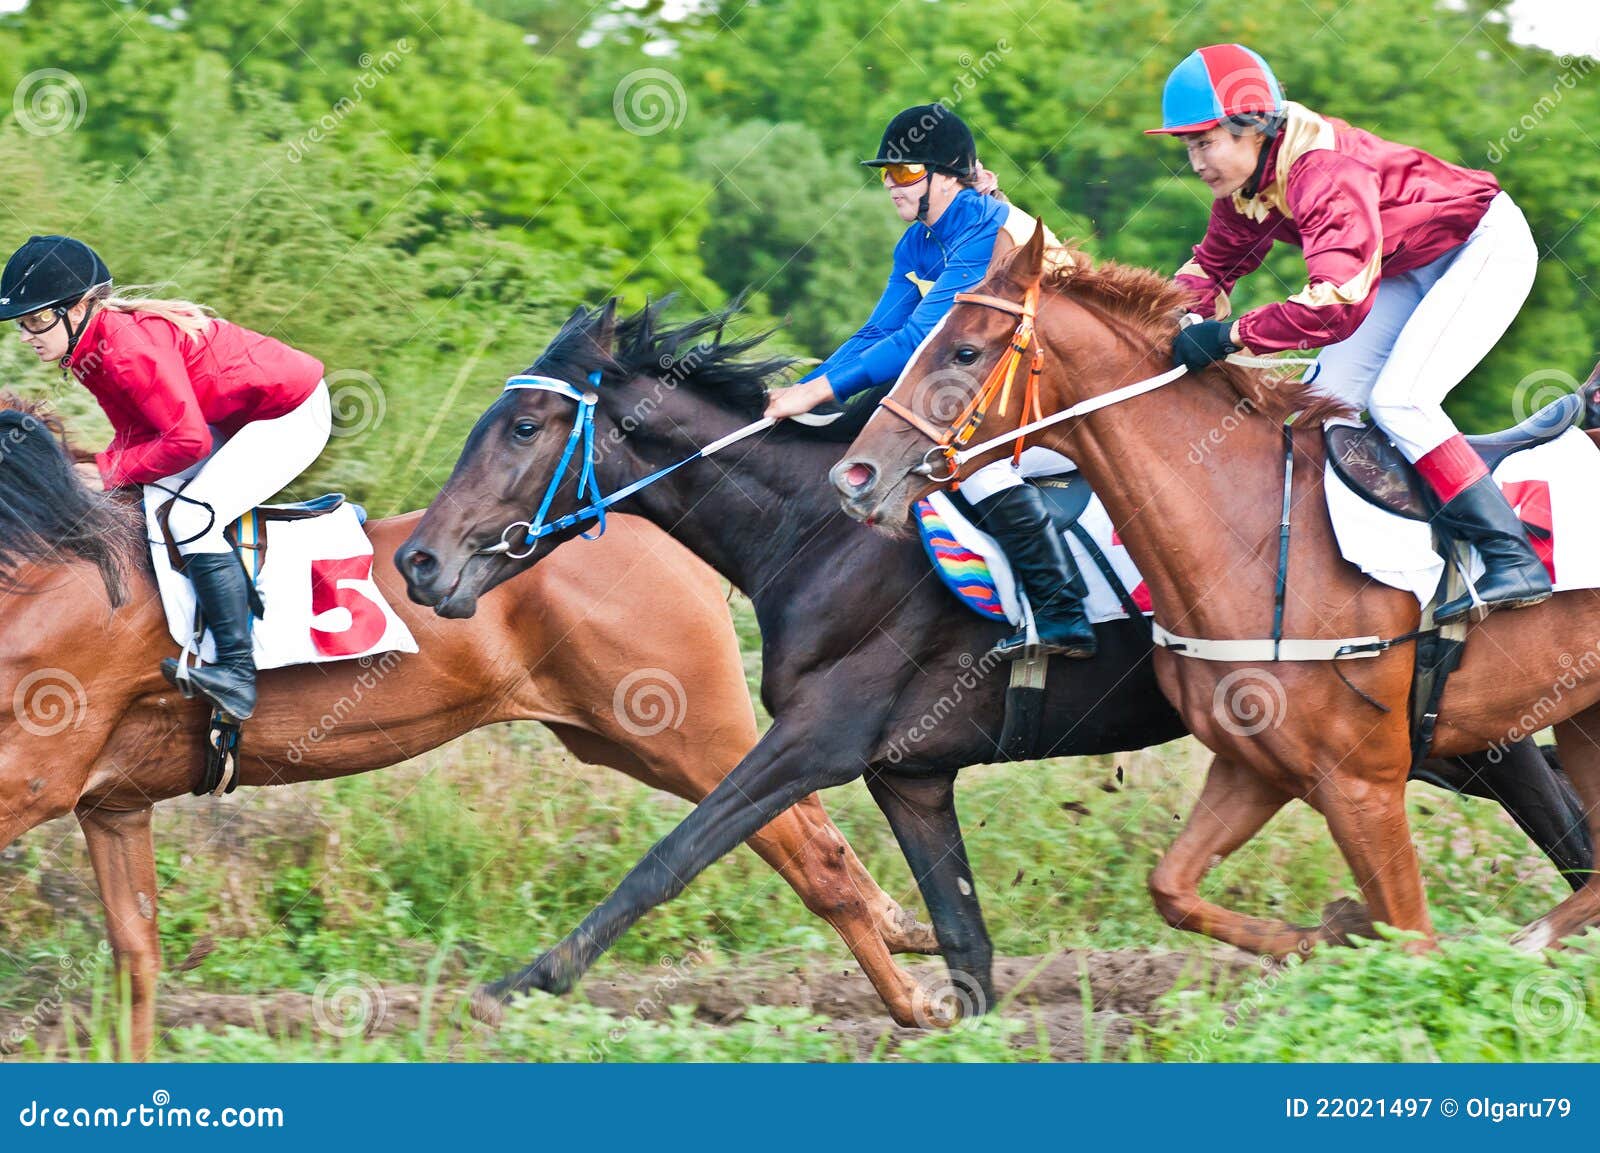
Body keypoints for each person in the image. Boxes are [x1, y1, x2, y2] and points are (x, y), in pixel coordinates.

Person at [1149, 44, 1550, 623]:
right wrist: (1154, 328)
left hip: (1481, 247)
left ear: (1254, 128)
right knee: (1318, 405)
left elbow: (1335, 305)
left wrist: (1231, 335)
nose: (1195, 161)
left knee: (1400, 401)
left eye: (1205, 142)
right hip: (1405, 264)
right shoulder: (1247, 186)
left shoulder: (1323, 171)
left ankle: (1511, 556)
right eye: (1189, 145)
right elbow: (1210, 268)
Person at [765, 104, 1096, 658]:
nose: (892, 187)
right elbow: (878, 333)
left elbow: (920, 340)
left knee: (974, 468)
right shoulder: (916, 243)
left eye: (905, 174)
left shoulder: (984, 226)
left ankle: (1062, 613)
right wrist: (801, 391)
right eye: (885, 175)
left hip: (1072, 398)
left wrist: (818, 393)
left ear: (946, 176)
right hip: (1011, 389)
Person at [0, 235, 330, 718]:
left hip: (290, 415)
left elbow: (187, 442)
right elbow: (137, 430)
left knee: (191, 518)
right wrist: (103, 471)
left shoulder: (125, 349)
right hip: (230, 420)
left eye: (36, 320)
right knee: (143, 500)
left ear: (78, 309)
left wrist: (108, 470)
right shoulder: (88, 347)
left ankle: (237, 674)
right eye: (22, 324)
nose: (28, 335)